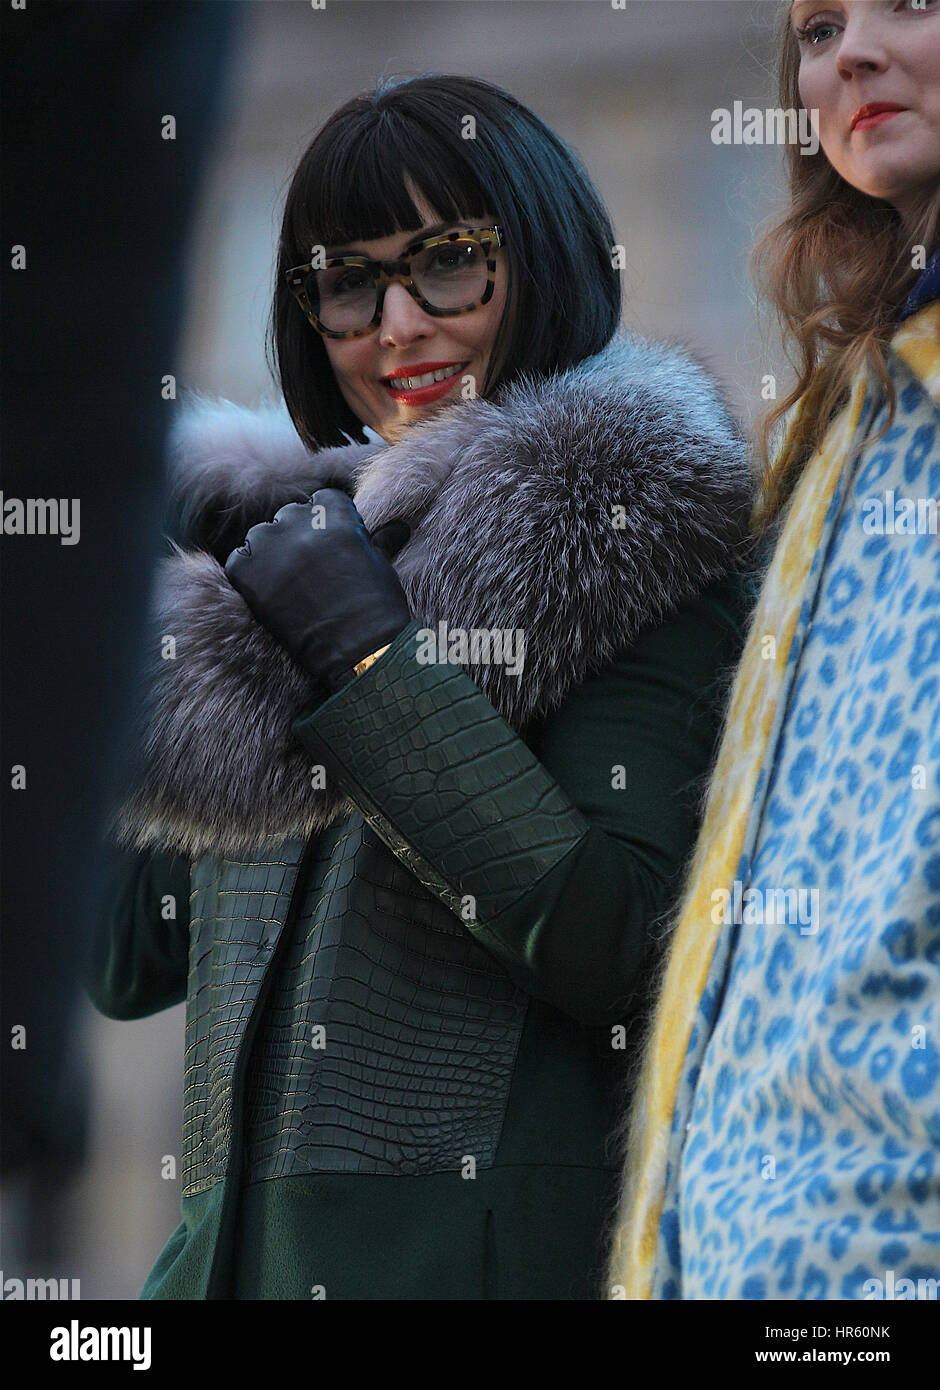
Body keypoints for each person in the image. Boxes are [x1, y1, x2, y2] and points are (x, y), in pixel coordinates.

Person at [87, 73, 754, 1301]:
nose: (397, 324)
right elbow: (125, 961)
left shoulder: (639, 527)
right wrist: (98, 616)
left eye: (448, 262)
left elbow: (622, 940)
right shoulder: (277, 557)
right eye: (347, 281)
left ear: (546, 254)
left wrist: (374, 665)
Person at [607, 0, 940, 1301]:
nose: (845, 54)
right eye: (815, 26)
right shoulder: (843, 414)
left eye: (907, 3)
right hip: (747, 1251)